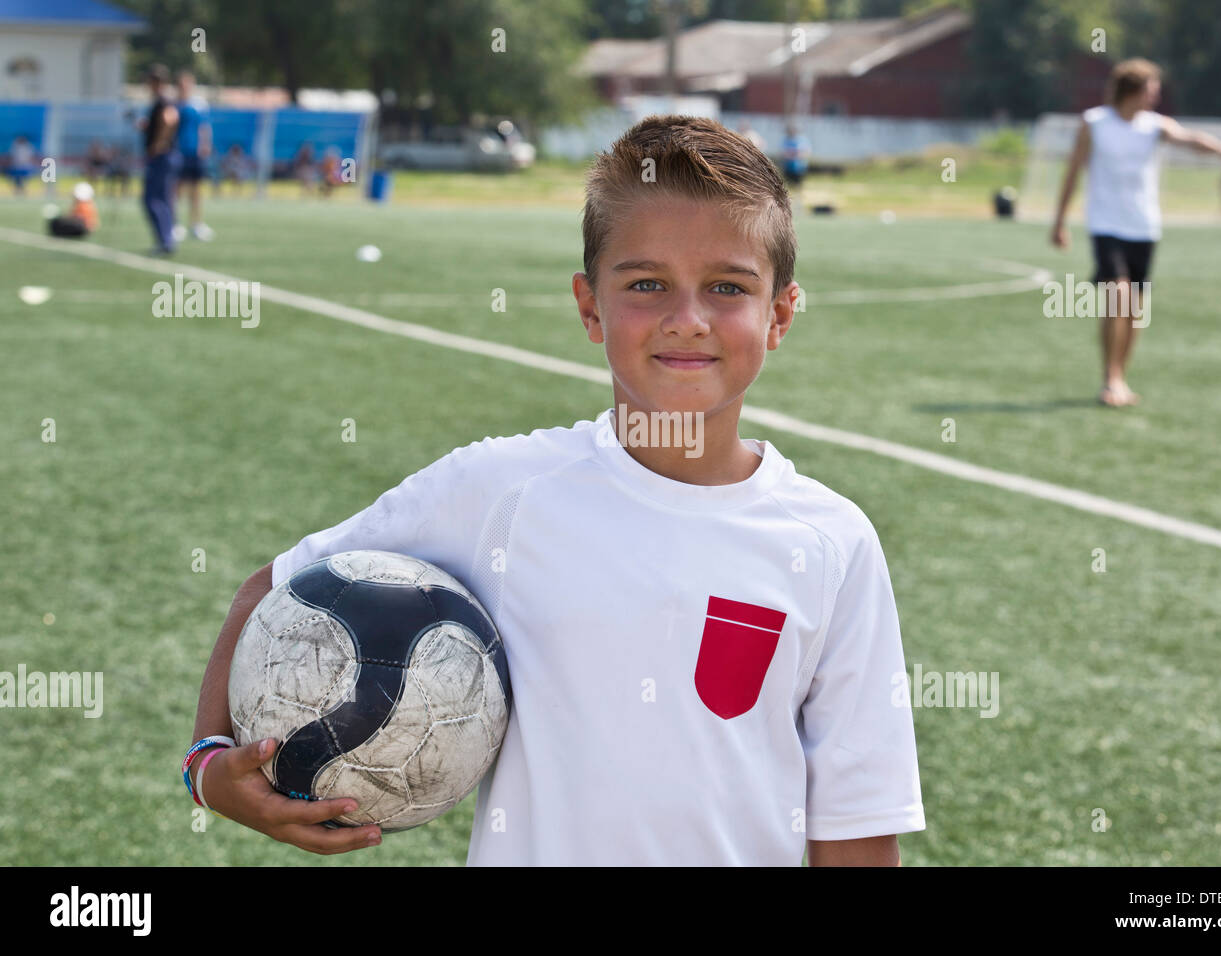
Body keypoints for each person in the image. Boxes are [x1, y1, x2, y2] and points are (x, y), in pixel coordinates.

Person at [187, 115, 925, 866]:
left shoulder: (830, 543)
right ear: (588, 305)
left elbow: (856, 827)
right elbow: (273, 590)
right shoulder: (501, 491)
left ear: (779, 314)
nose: (687, 319)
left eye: (727, 288)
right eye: (646, 284)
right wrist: (208, 767)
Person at [1051, 58, 1221, 407]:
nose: (1155, 97)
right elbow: (1073, 172)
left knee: (1135, 308)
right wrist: (1059, 220)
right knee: (1118, 296)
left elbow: (1191, 140)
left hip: (1143, 226)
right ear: (1133, 90)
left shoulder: (1154, 126)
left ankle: (1121, 377)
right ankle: (1110, 379)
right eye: (1151, 90)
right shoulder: (1094, 123)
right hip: (1106, 224)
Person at [138, 64, 181, 255]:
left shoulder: (163, 101)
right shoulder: (160, 101)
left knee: (154, 199)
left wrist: (159, 142)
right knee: (162, 198)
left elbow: (170, 119)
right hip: (164, 157)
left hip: (162, 157)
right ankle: (166, 239)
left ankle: (166, 240)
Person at [173, 70, 214, 241]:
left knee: (196, 190)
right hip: (178, 152)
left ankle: (196, 224)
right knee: (177, 190)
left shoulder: (198, 105)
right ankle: (175, 224)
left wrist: (205, 144)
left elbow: (204, 127)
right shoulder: (174, 105)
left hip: (194, 153)